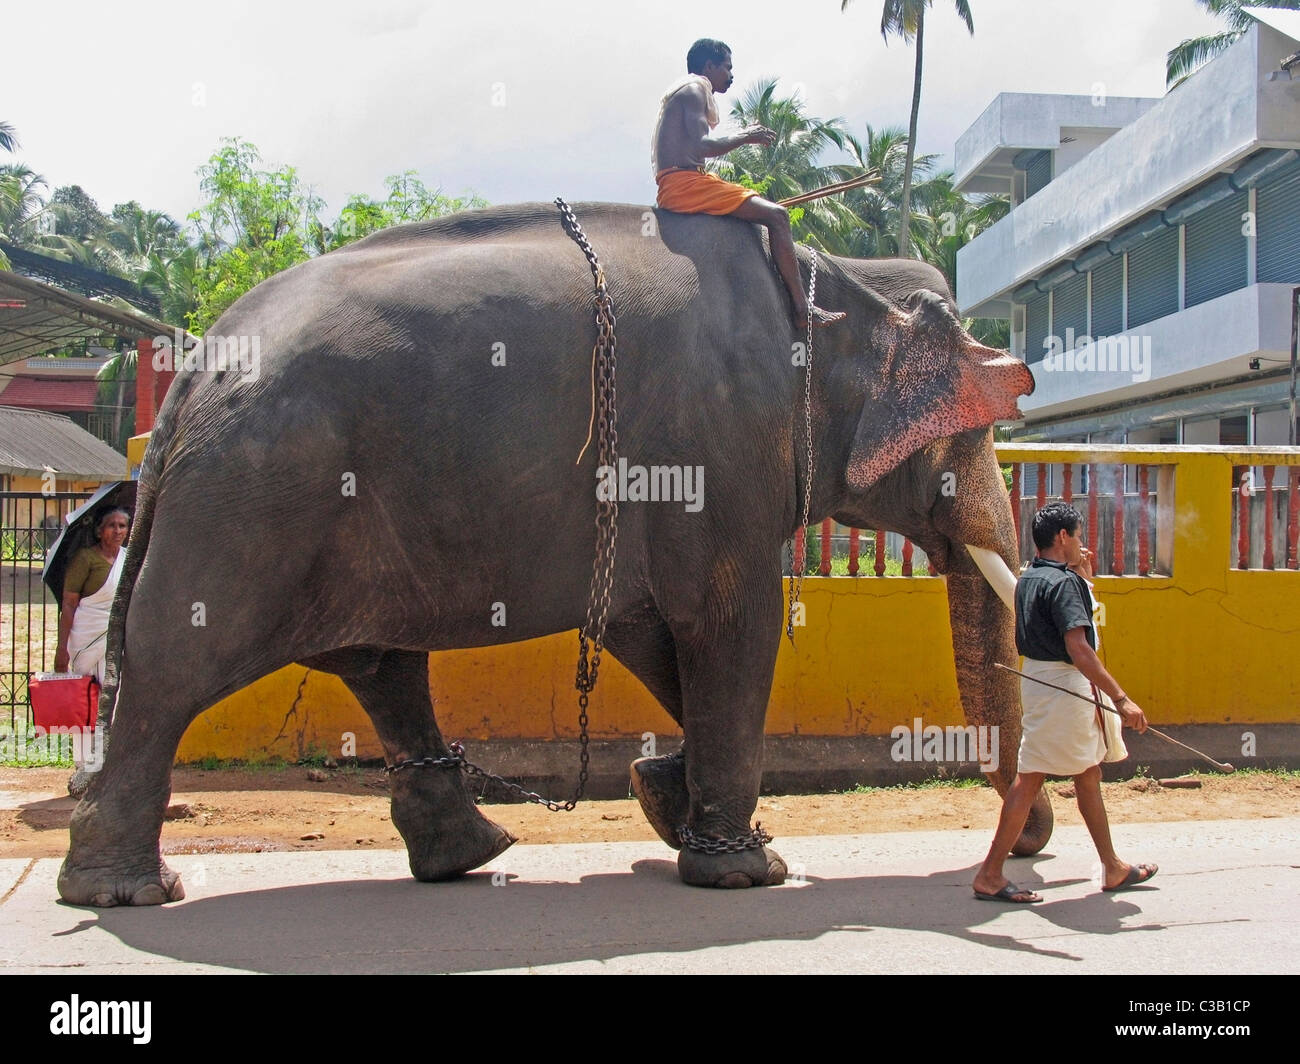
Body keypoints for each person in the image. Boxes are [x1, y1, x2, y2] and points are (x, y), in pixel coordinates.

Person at [972, 502, 1158, 903]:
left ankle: (1112, 866)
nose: (1081, 543)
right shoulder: (1064, 584)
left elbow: (1062, 623)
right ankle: (990, 874)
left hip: (1040, 685)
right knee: (1035, 777)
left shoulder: (1030, 578)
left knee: (1081, 773)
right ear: (1062, 537)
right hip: (1064, 690)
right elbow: (1079, 647)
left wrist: (1082, 578)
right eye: (1077, 535)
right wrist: (1121, 698)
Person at [651, 38, 846, 331]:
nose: (731, 75)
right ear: (709, 66)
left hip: (686, 180)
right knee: (778, 216)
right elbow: (702, 145)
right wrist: (747, 136)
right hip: (684, 185)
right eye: (727, 67)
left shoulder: (688, 92)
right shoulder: (694, 90)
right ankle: (802, 308)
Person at [56, 506, 130, 798]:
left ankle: (107, 767)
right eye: (111, 525)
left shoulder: (129, 559)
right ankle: (84, 767)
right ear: (100, 530)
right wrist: (61, 648)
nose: (117, 531)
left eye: (123, 525)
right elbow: (70, 603)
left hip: (115, 638)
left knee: (114, 698)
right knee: (86, 702)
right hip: (86, 636)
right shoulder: (85, 559)